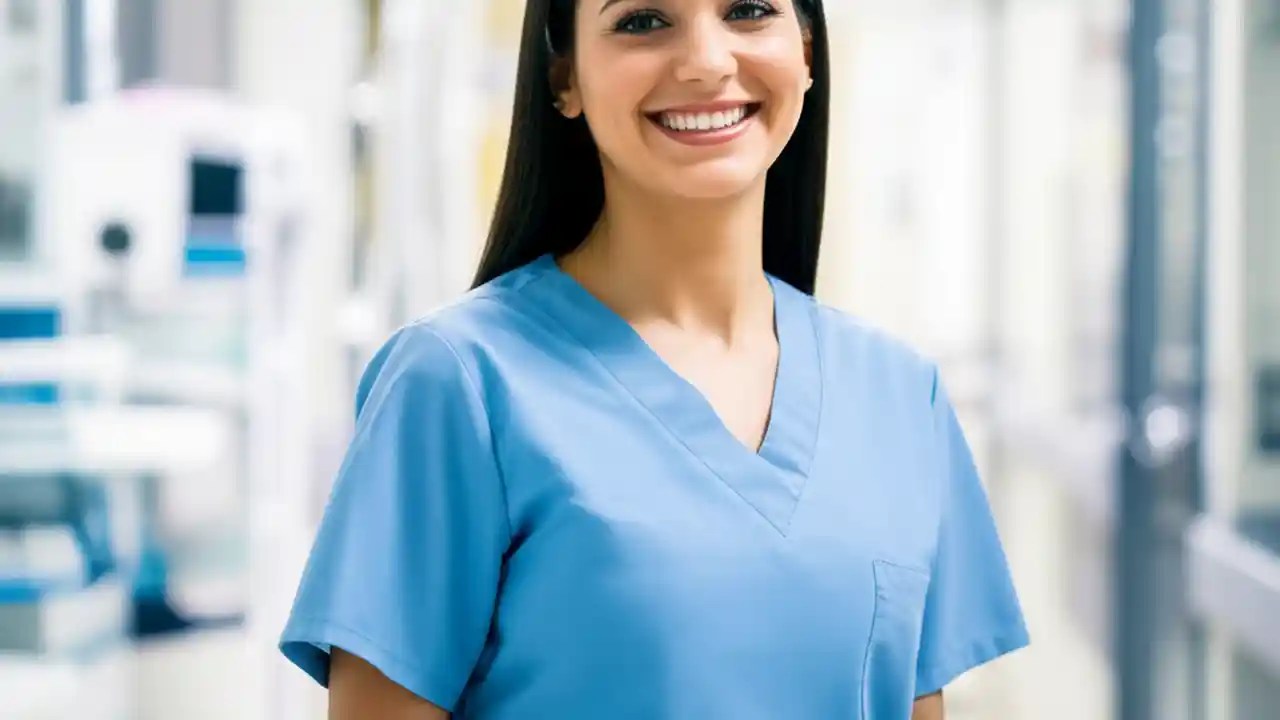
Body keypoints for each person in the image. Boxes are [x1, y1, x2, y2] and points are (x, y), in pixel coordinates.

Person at [278, 0, 1030, 718]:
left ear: (806, 52)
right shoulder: (458, 382)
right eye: (643, 21)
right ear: (564, 80)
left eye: (748, 11)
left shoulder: (901, 395)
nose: (706, 62)